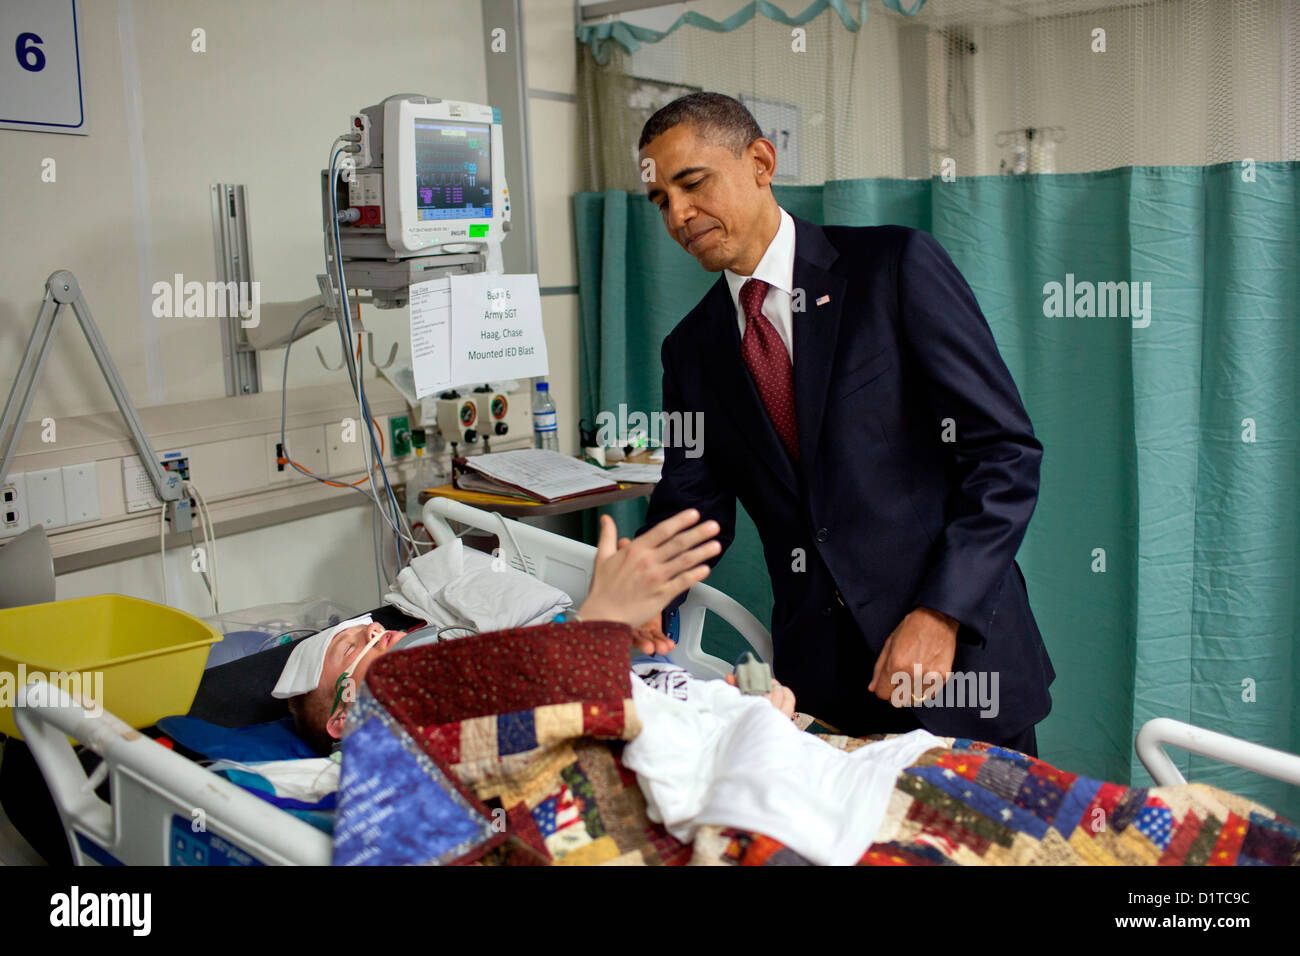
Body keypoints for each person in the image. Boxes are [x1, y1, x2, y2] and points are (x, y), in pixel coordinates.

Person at [635, 92, 1055, 754]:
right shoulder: (691, 351)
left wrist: (942, 613)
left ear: (761, 161)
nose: (679, 214)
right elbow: (689, 503)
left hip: (958, 666)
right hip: (825, 686)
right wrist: (643, 599)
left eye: (692, 183)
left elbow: (1003, 453)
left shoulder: (893, 270)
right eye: (662, 201)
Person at [285, 508, 795, 753]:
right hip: (612, 737)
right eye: (350, 644)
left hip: (651, 705)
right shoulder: (392, 727)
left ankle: (742, 719)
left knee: (761, 706)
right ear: (341, 717)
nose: (372, 627)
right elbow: (525, 723)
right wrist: (599, 624)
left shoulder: (433, 654)